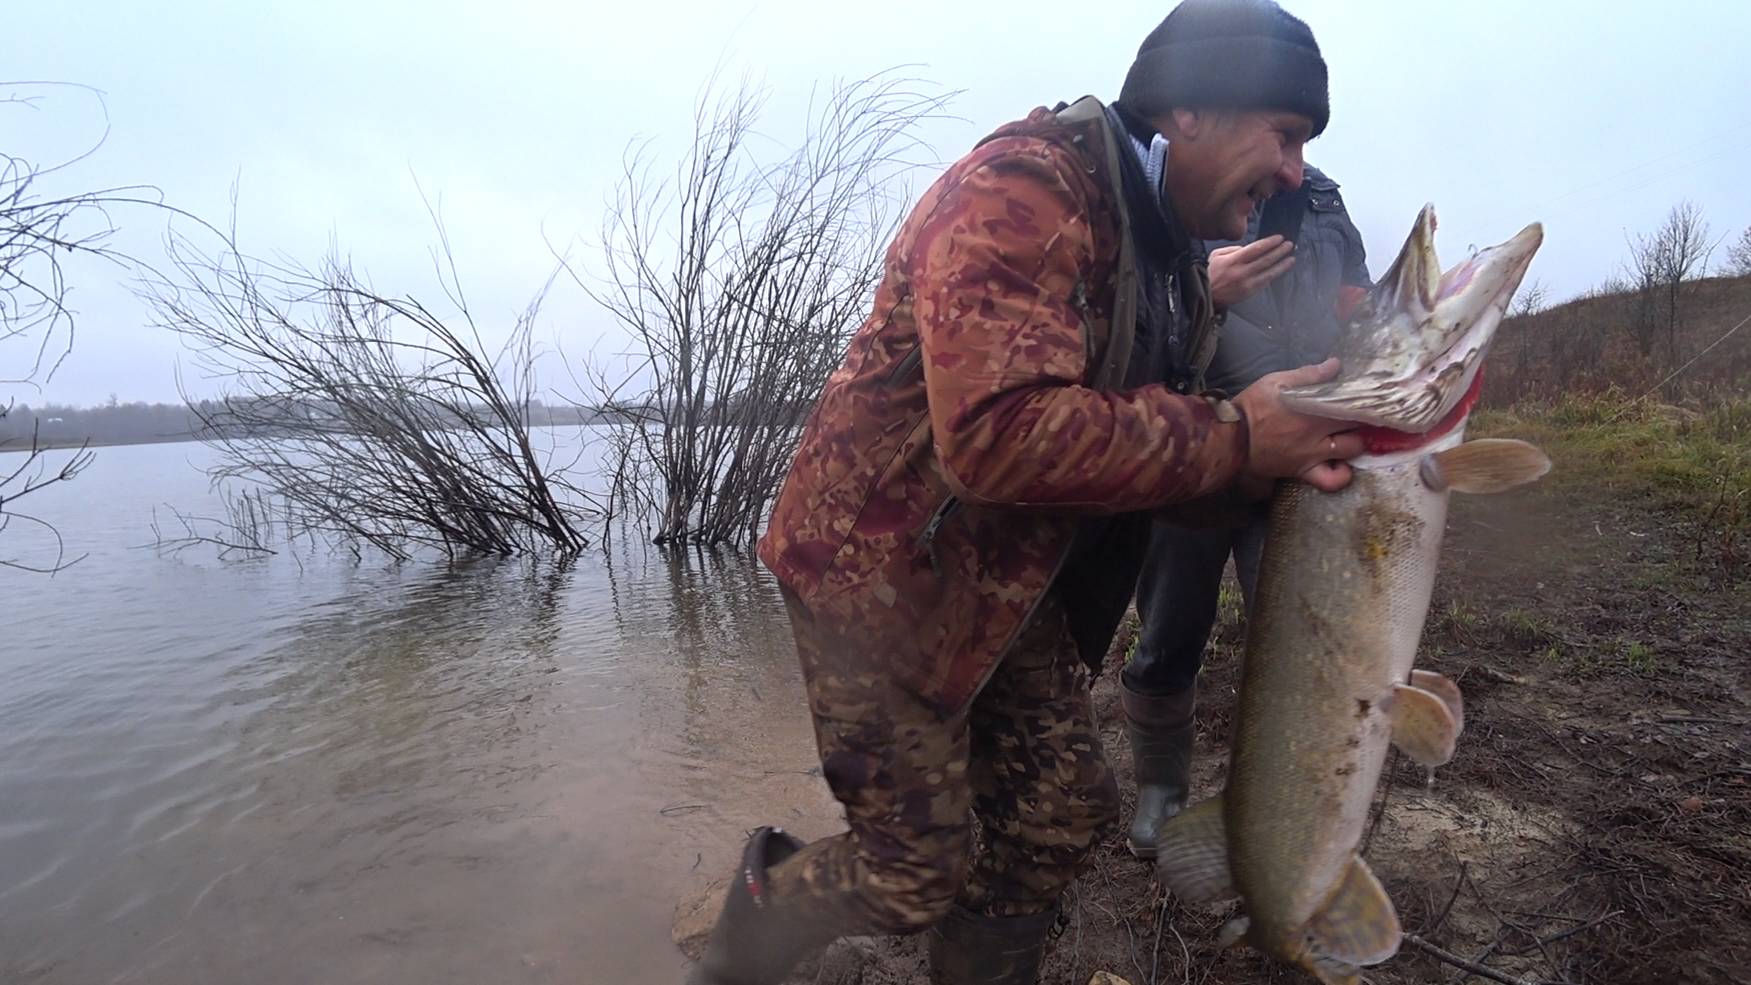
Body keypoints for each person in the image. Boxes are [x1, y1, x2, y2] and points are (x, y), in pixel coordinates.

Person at [685, 3, 1362, 983]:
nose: (1296, 172)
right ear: (1187, 113)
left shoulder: (1162, 250)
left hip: (1002, 574)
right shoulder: (1026, 189)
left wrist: (1279, 467)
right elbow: (996, 441)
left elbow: (1138, 449)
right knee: (911, 871)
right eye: (1286, 135)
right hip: (878, 574)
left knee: (1056, 819)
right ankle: (755, 916)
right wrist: (1238, 435)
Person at [1121, 164, 1373, 860]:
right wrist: (1205, 286)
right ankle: (1159, 789)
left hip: (1299, 453)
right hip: (1198, 450)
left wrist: (1387, 326)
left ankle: (1284, 798)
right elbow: (1133, 305)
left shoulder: (1324, 196)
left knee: (1301, 641)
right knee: (1170, 629)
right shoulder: (1188, 182)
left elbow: (1355, 298)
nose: (1287, 151)